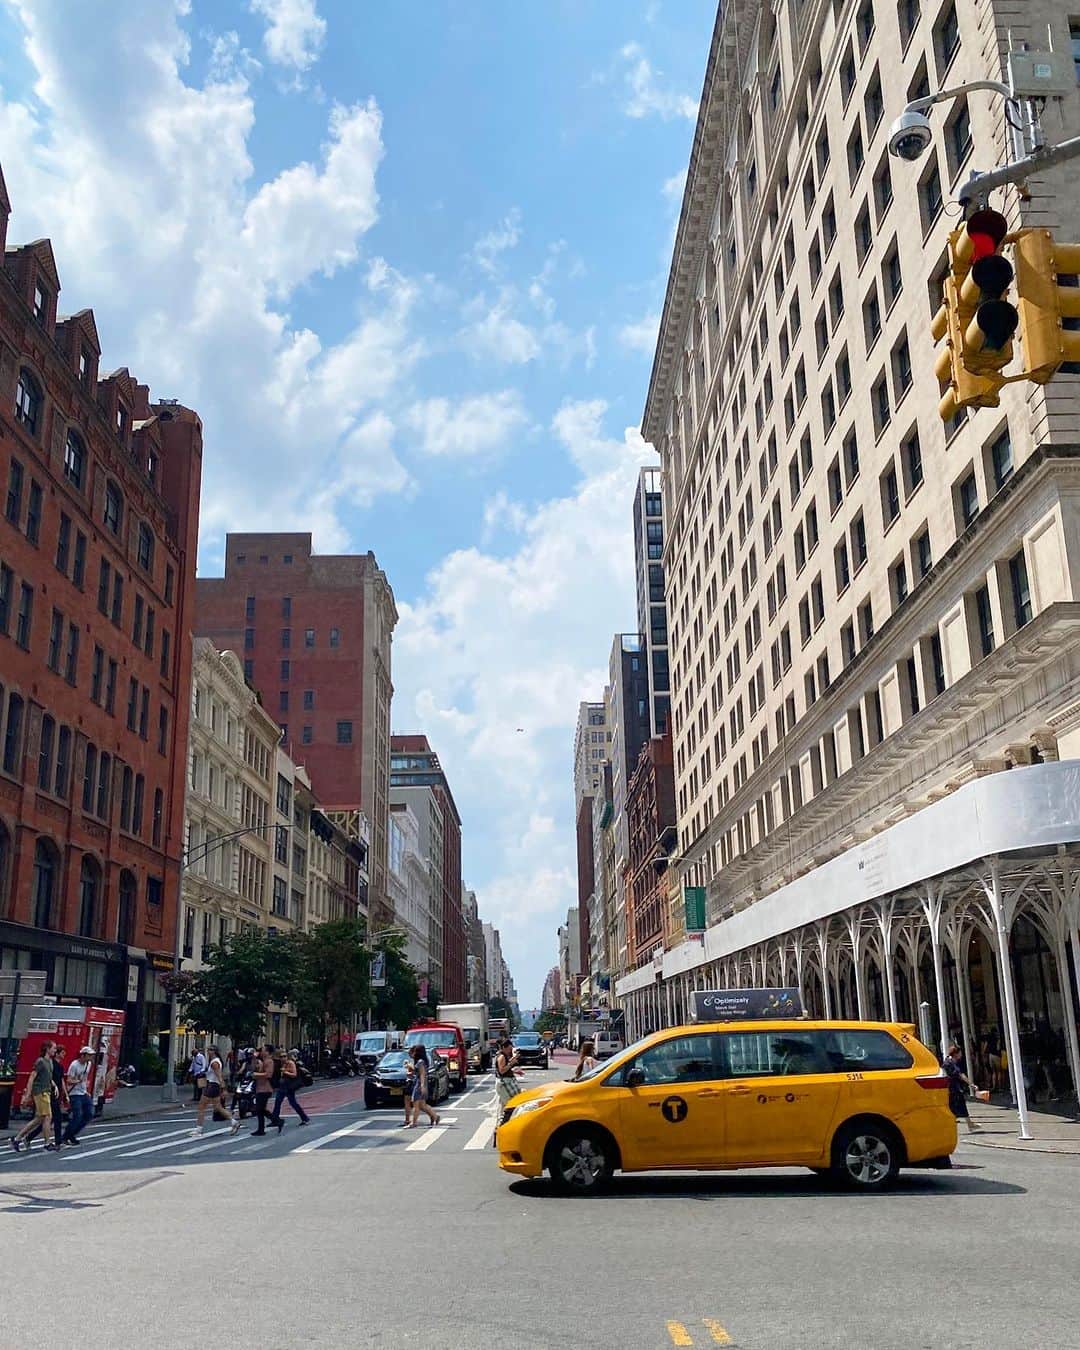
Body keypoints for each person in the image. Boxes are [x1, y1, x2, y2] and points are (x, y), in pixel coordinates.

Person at [12, 1041, 58, 1152]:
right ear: (47, 1049)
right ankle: (47, 1143)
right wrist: (27, 1094)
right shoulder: (40, 1061)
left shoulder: (50, 1062)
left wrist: (54, 1085)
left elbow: (47, 1076)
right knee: (47, 1116)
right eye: (54, 1048)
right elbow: (32, 1077)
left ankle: (17, 1139)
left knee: (40, 1118)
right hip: (40, 1092)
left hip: (46, 1091)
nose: (55, 1050)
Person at [190, 1046, 240, 1136]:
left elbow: (219, 1076)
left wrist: (224, 1089)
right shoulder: (215, 1061)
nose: (208, 1051)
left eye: (210, 1050)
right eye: (208, 1049)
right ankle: (234, 1122)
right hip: (214, 1086)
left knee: (201, 1106)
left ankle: (199, 1130)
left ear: (214, 1052)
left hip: (212, 1086)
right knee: (218, 1107)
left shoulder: (214, 1063)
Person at [268, 1050, 311, 1131]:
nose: (283, 1058)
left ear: (287, 1057)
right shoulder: (281, 1064)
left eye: (284, 1056)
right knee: (279, 1102)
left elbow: (294, 1074)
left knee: (291, 1103)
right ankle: (276, 1120)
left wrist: (285, 1072)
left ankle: (304, 1117)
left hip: (288, 1086)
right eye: (281, 1056)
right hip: (283, 1086)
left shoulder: (290, 1063)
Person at [944, 1043, 981, 1133]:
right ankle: (969, 1125)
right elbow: (960, 1075)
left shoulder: (948, 1061)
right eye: (960, 1053)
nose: (961, 1055)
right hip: (953, 1088)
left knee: (955, 1107)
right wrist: (971, 1084)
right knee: (957, 1106)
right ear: (956, 1054)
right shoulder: (951, 1063)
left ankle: (968, 1124)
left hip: (951, 1088)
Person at [62, 1045, 95, 1145]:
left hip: (83, 1092)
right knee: (77, 1115)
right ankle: (66, 1136)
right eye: (89, 1055)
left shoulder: (88, 1064)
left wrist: (86, 1089)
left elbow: (85, 1078)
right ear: (83, 1055)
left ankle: (72, 1134)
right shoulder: (74, 1065)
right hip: (74, 1093)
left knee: (89, 1114)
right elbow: (68, 1080)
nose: (91, 1057)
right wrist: (77, 1080)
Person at [406, 1045, 440, 1128]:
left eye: (414, 1051)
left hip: (419, 1083)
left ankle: (414, 1122)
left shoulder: (420, 1062)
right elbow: (418, 1073)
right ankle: (435, 1116)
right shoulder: (420, 1061)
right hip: (419, 1082)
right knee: (422, 1105)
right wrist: (411, 1070)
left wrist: (422, 1085)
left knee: (415, 1103)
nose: (413, 1053)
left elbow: (422, 1074)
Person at [249, 1045, 274, 1136]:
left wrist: (256, 1074)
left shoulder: (269, 1061)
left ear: (267, 1052)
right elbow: (253, 1068)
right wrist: (254, 1058)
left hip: (265, 1089)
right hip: (260, 1088)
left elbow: (268, 1074)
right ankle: (275, 1121)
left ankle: (263, 1128)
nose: (261, 1051)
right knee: (261, 1109)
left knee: (260, 1109)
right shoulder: (263, 1061)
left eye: (263, 1050)